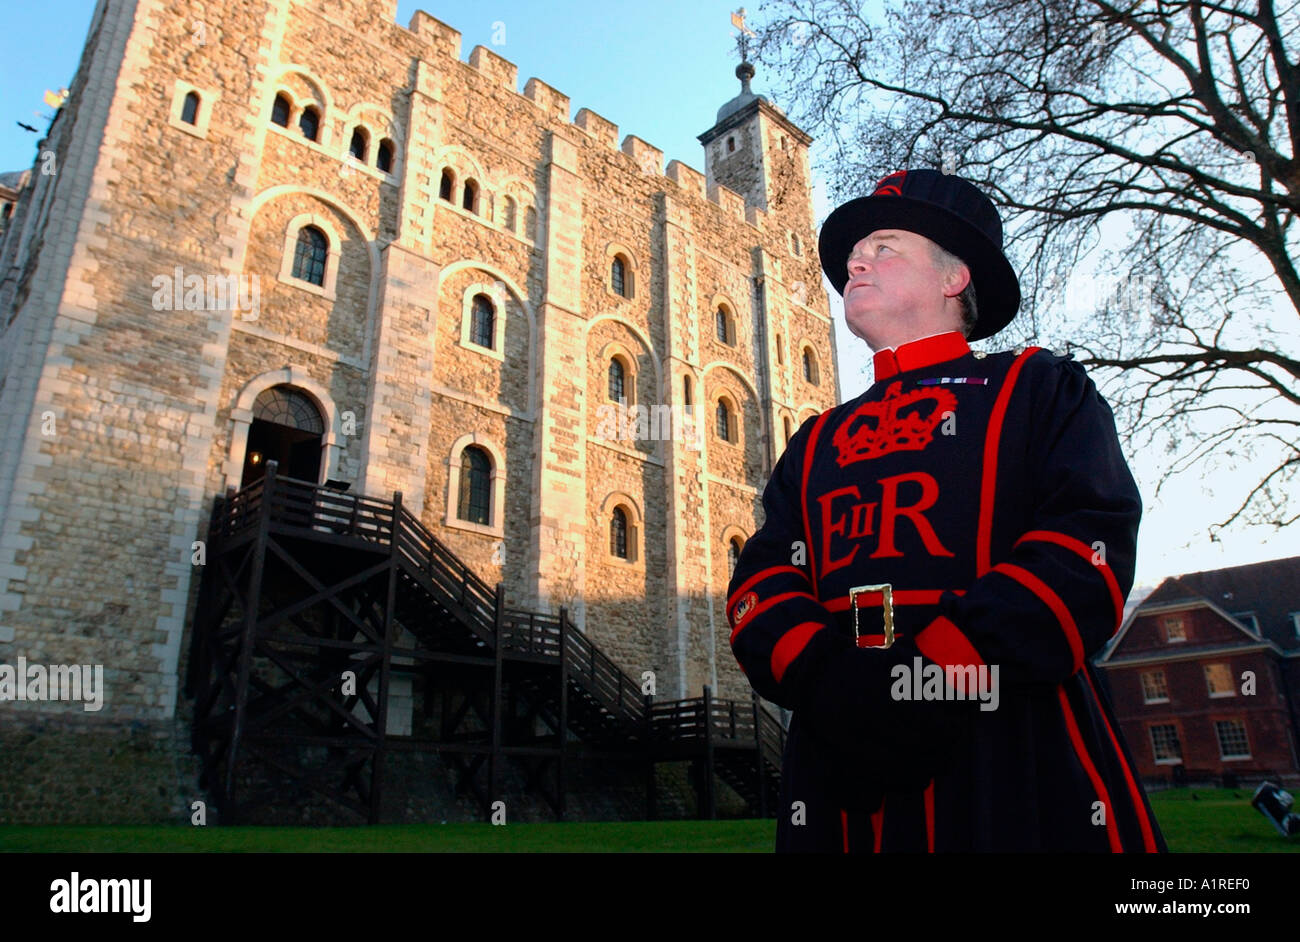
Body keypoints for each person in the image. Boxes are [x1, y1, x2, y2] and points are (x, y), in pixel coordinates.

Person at [727, 169, 1166, 852]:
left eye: (885, 247)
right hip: (842, 774)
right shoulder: (813, 442)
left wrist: (932, 670)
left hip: (1012, 755)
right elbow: (760, 586)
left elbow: (1086, 552)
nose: (855, 263)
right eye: (853, 257)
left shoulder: (1038, 389)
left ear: (954, 277)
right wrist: (830, 676)